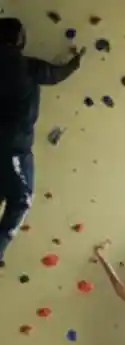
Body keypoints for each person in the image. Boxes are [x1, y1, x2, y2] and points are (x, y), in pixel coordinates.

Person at [0, 18, 84, 266]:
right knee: (20, 199)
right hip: (14, 145)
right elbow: (56, 74)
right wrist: (75, 62)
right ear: (19, 39)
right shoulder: (26, 66)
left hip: (9, 145)